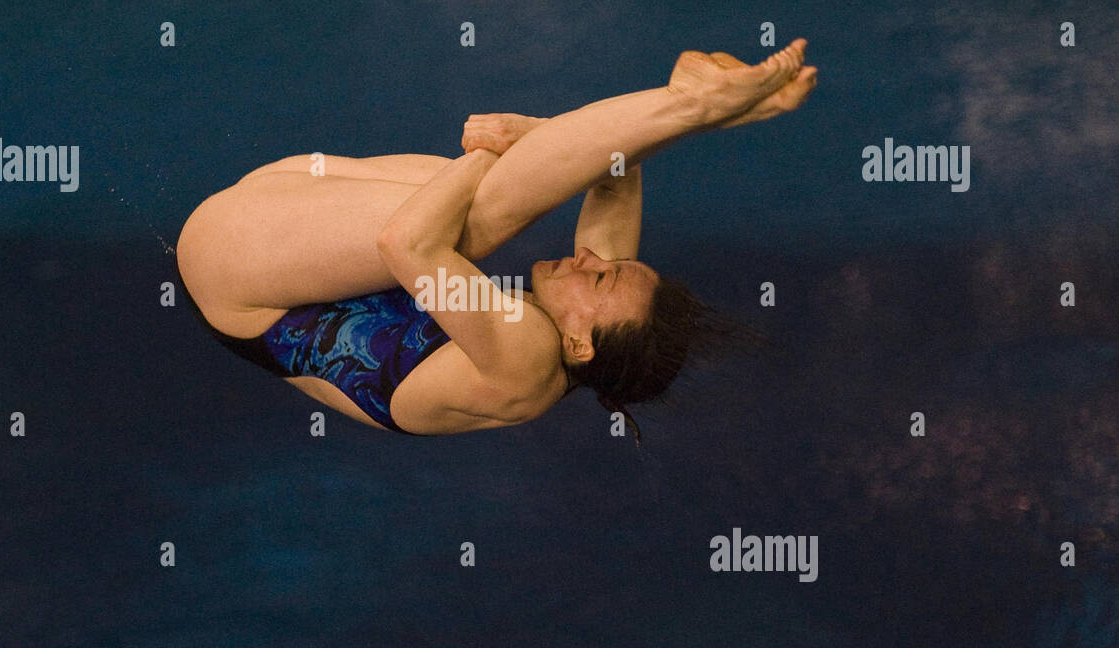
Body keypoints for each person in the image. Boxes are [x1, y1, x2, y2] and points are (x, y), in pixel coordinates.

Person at [177, 40, 817, 437]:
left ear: (577, 342)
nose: (590, 258)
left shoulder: (527, 363)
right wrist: (732, 114)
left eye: (599, 277)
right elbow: (617, 170)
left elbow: (406, 245)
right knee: (477, 209)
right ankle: (705, 106)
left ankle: (691, 102)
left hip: (235, 270)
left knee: (471, 223)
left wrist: (494, 152)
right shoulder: (574, 326)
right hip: (283, 219)